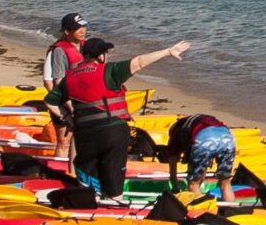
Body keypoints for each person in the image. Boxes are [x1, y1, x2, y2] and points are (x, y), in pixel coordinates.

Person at [61, 34, 191, 198]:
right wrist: (168, 52)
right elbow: (139, 62)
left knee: (89, 179)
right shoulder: (110, 70)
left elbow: (51, 100)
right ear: (101, 56)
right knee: (113, 181)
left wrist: (70, 119)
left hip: (85, 134)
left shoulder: (71, 75)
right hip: (113, 133)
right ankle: (114, 203)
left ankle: (88, 201)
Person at [40, 12, 91, 160]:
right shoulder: (58, 51)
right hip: (63, 103)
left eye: (83, 26)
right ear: (67, 32)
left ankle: (75, 168)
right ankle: (61, 170)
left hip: (80, 101)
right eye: (77, 28)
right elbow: (51, 82)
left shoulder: (85, 47)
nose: (82, 31)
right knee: (64, 141)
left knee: (79, 141)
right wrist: (68, 108)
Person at [165, 112, 239, 201]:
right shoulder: (192, 122)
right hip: (227, 138)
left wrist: (174, 185)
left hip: (204, 138)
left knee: (193, 184)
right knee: (225, 183)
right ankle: (229, 211)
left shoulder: (176, 132)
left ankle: (203, 212)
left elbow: (172, 159)